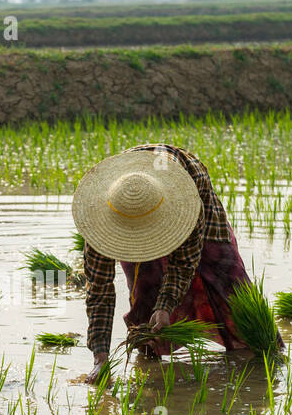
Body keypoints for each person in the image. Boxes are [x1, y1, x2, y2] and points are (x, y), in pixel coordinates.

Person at [72, 144, 269, 384]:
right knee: (145, 297)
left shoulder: (186, 202)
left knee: (228, 288)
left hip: (195, 209)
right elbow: (99, 289)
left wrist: (165, 306)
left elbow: (183, 264)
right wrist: (100, 359)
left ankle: (255, 363)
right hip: (133, 205)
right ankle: (150, 365)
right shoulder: (100, 224)